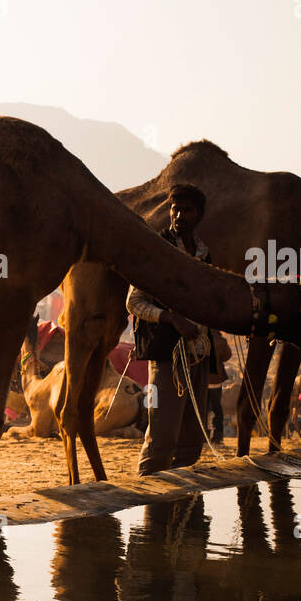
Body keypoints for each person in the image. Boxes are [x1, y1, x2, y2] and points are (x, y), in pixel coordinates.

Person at [127, 184, 226, 475]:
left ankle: (182, 511)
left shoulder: (205, 255)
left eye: (187, 210)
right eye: (175, 209)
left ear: (200, 215)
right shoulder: (157, 250)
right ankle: (150, 506)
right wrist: (171, 319)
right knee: (161, 435)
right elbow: (134, 302)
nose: (179, 215)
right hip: (166, 357)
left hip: (198, 355)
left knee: (192, 438)